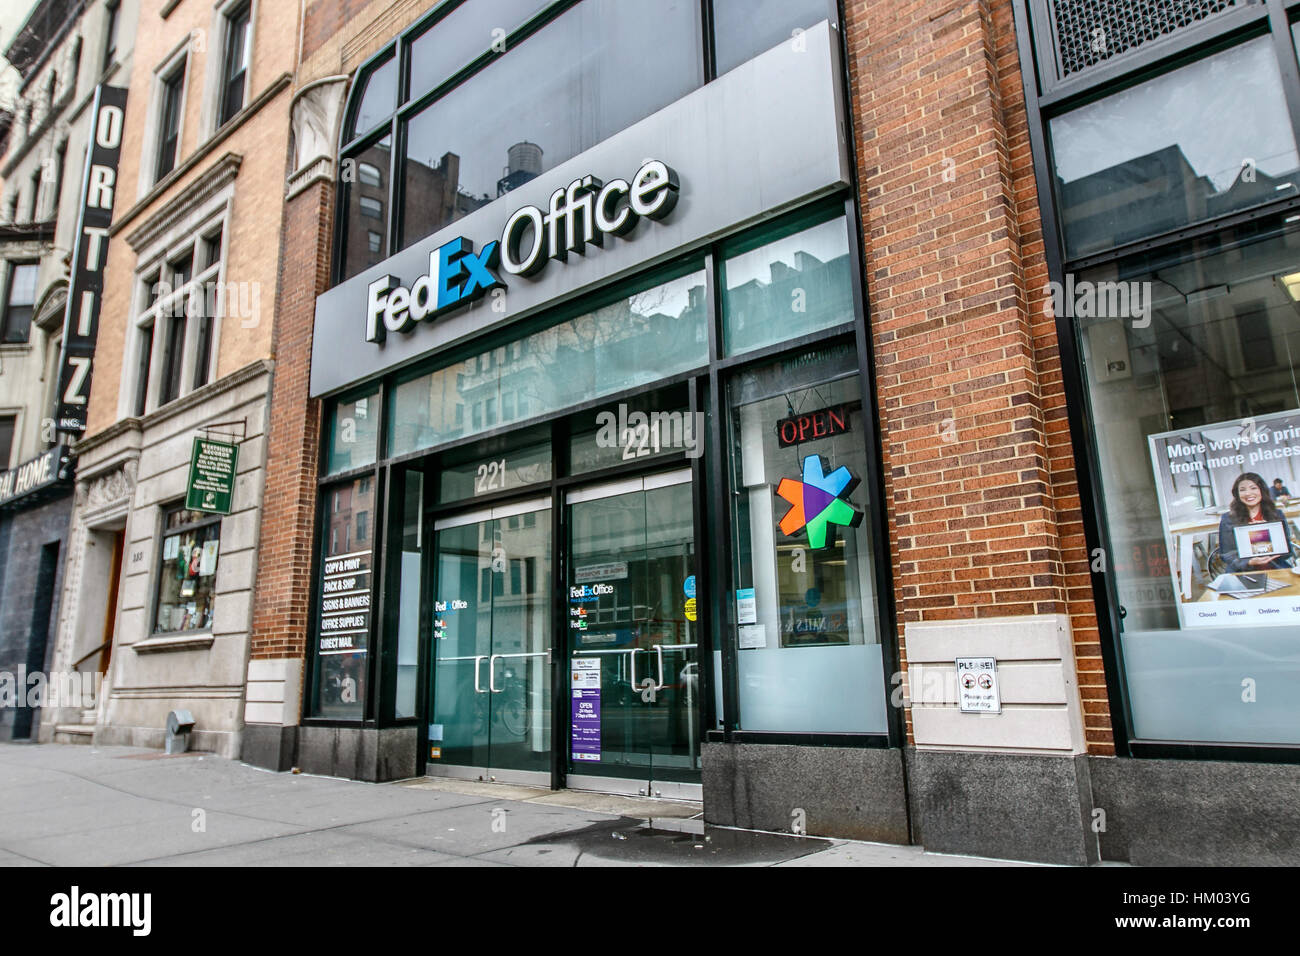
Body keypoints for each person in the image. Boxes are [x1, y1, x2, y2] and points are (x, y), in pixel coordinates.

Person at [1218, 472, 1295, 572]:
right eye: (1242, 490)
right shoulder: (1228, 519)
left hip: (1275, 568)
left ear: (1262, 490)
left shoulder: (1277, 514)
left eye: (1253, 488)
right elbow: (1226, 554)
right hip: (1242, 573)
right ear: (1237, 494)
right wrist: (1249, 562)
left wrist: (1268, 536)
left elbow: (1288, 552)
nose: (1248, 493)